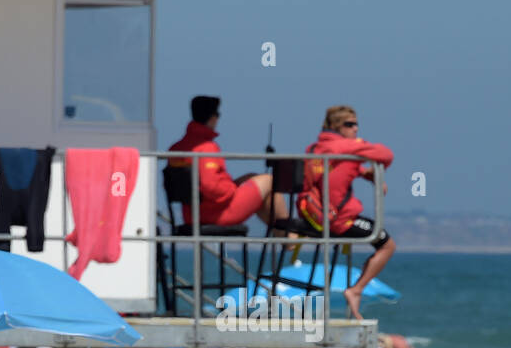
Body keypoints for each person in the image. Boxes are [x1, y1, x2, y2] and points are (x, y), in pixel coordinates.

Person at [300, 105, 397, 320]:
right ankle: (356, 289)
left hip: (311, 217)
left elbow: (336, 173)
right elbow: (386, 155)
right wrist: (360, 146)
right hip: (337, 221)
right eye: (350, 124)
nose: (356, 128)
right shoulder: (348, 147)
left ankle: (355, 298)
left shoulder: (315, 148)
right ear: (336, 126)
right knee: (387, 245)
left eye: (356, 123)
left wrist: (364, 174)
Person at [165, 95, 287, 227]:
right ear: (212, 118)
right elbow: (210, 186)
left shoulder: (176, 148)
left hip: (191, 214)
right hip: (216, 213)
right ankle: (289, 236)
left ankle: (284, 237)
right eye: (218, 114)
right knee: (270, 180)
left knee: (253, 178)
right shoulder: (206, 148)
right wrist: (232, 189)